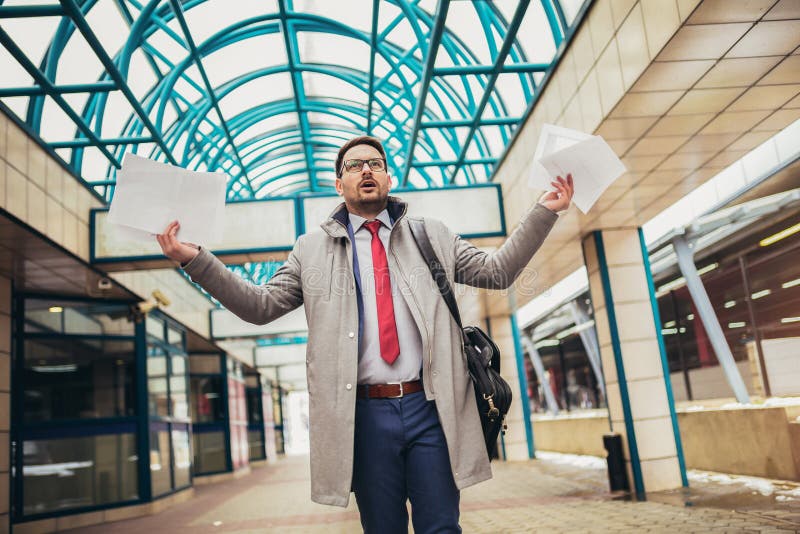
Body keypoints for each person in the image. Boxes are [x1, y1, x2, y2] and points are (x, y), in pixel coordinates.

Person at [156, 135, 573, 533]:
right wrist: (195, 260)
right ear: (339, 184)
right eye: (353, 166)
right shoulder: (310, 249)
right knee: (382, 528)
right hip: (364, 418)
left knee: (442, 526)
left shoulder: (432, 234)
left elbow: (497, 272)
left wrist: (543, 212)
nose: (366, 170)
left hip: (432, 409)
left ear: (389, 178)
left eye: (375, 163)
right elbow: (259, 306)